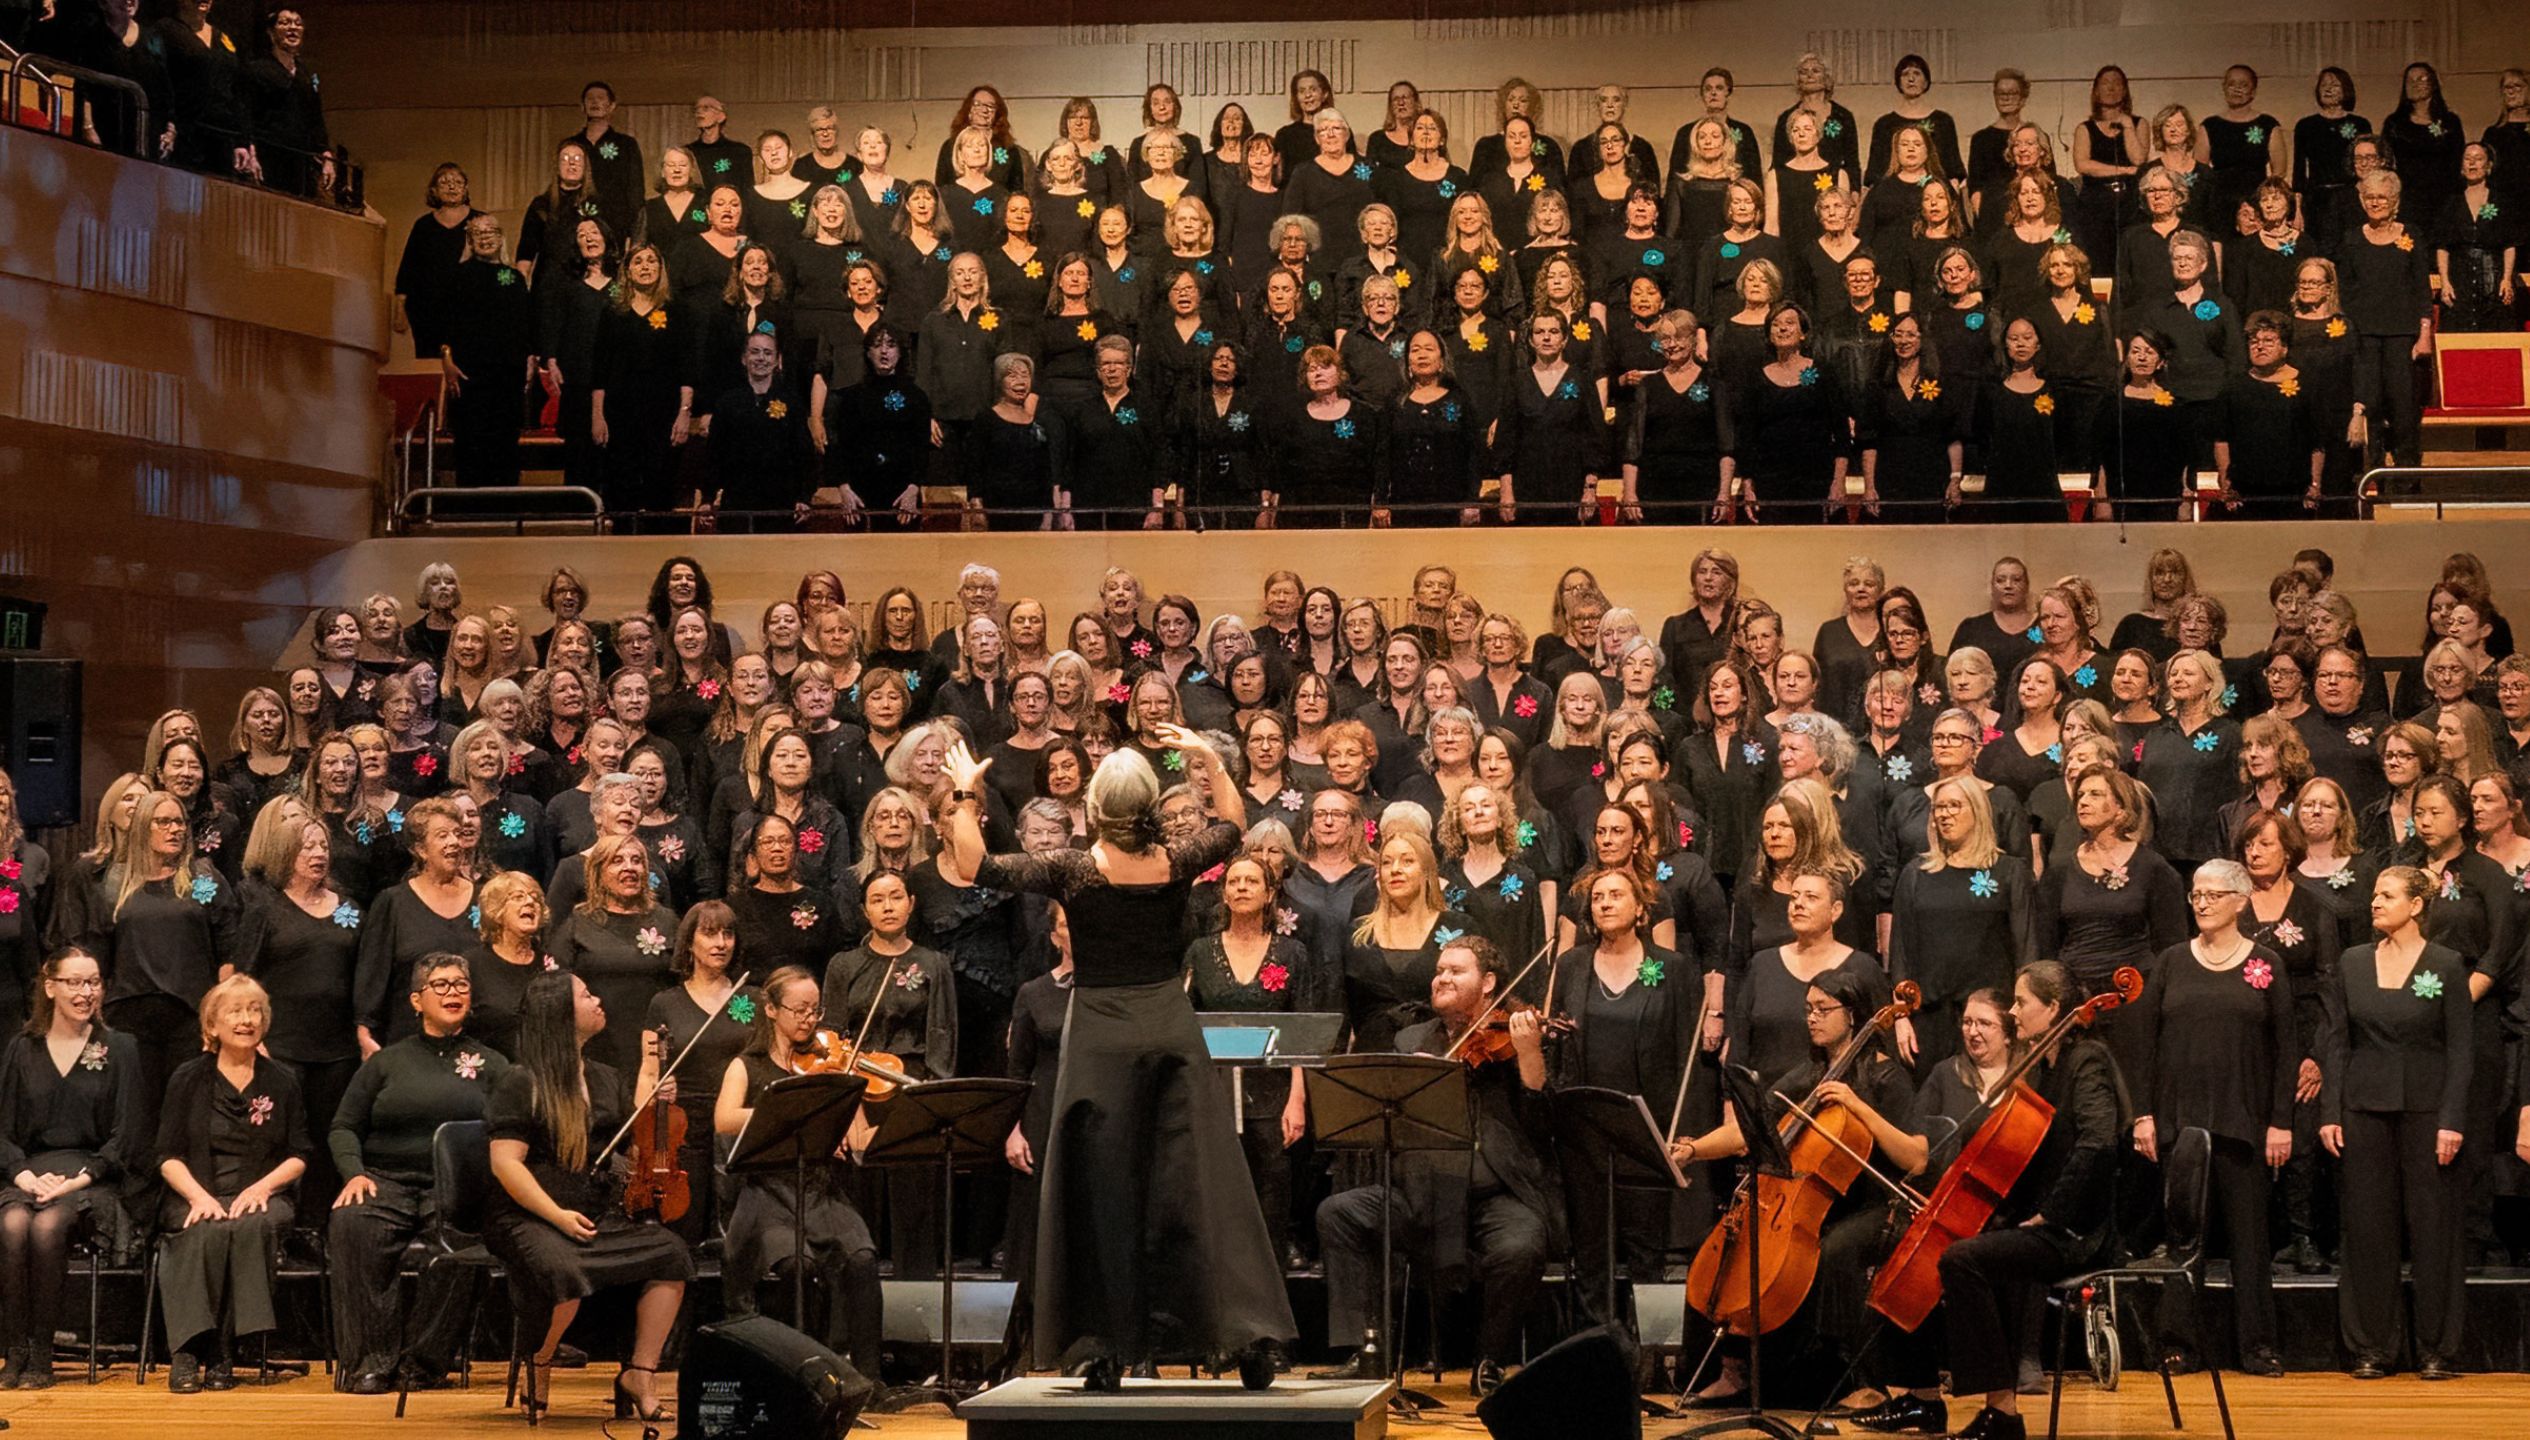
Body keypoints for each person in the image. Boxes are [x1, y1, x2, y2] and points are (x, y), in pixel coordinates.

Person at [938, 725, 1288, 1387]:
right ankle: (1244, 1338)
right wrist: (1209, 759)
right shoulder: (1177, 859)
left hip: (1100, 1034)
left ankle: (1100, 1343)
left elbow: (973, 865)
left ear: (1095, 810)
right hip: (1170, 1025)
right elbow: (1236, 825)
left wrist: (963, 793)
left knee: (1101, 1190)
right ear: (1152, 806)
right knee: (1203, 1185)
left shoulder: (1072, 867)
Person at [1312, 935, 1557, 1399]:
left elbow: (1543, 1122)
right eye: (1439, 970)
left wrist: (1529, 1055)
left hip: (1492, 1196)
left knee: (1522, 1242)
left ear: (1488, 983)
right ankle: (1367, 1352)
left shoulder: (1511, 1039)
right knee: (1339, 1212)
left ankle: (1490, 1359)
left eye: (1455, 971)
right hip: (1421, 1193)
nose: (1441, 977)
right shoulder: (1410, 1040)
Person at [1932, 961, 2123, 1440]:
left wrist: (2051, 1213)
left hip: (2076, 1232)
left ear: (2054, 1008)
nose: (2013, 1012)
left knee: (1963, 1260)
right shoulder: (2044, 1065)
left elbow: (2098, 1142)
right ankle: (1984, 1408)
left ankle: (2002, 1411)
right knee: (1967, 1246)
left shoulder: (2086, 1060)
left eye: (2021, 1002)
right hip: (2047, 1222)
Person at [2127, 860, 2295, 1375]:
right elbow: (2142, 1046)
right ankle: (2178, 1344)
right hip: (2182, 1125)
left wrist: (2280, 1121)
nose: (2200, 903)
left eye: (2213, 895)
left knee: (2250, 1240)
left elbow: (2286, 1049)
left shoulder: (2265, 964)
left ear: (2241, 901)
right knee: (2184, 1239)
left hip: (2243, 1123)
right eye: (2196, 894)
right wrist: (2143, 1116)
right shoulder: (2173, 962)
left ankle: (2258, 1346)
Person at [327, 953, 508, 1393]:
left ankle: (424, 1362)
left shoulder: (494, 1064)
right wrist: (353, 1173)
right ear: (416, 1000)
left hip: (456, 1189)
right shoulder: (386, 1063)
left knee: (464, 1242)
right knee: (351, 1224)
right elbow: (344, 1127)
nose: (453, 993)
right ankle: (370, 1362)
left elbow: (514, 1131)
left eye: (461, 985)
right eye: (441, 985)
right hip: (384, 1180)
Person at [2321, 867, 2469, 1379]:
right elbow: (2337, 1042)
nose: (2375, 902)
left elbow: (2461, 1051)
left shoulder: (2446, 964)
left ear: (2418, 904)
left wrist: (2451, 1119)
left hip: (2428, 1112)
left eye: (2387, 894)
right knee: (2367, 1229)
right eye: (2374, 893)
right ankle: (2372, 1347)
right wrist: (2330, 1112)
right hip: (2363, 1108)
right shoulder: (2353, 962)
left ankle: (2436, 1348)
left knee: (2432, 1230)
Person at [712, 964, 883, 1378]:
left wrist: (859, 1101)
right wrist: (787, 1113)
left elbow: (859, 1140)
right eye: (799, 1010)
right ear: (771, 1009)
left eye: (815, 1011)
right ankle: (795, 1375)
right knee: (795, 1268)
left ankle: (869, 1378)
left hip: (820, 1191)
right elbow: (724, 1119)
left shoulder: (829, 1068)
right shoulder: (746, 1066)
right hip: (767, 1194)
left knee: (862, 1258)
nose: (809, 1020)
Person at [154, 975, 310, 1392]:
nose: (246, 1020)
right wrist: (199, 1196)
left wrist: (262, 1188)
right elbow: (166, 1156)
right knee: (202, 1228)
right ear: (212, 1025)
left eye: (254, 1010)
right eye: (235, 1011)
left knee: (250, 1225)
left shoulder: (282, 1080)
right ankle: (188, 1352)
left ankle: (224, 1351)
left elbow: (300, 1154)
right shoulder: (187, 1078)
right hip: (194, 1188)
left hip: (261, 1192)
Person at [0, 947, 145, 1390]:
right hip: (30, 1173)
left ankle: (41, 1353)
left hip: (89, 1176)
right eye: (76, 983)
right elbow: (3, 1132)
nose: (86, 993)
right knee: (12, 1222)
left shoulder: (119, 1048)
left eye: (94, 982)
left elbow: (127, 1136)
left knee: (47, 1228)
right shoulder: (22, 1048)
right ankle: (14, 1352)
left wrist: (80, 1179)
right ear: (51, 987)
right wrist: (22, 1174)